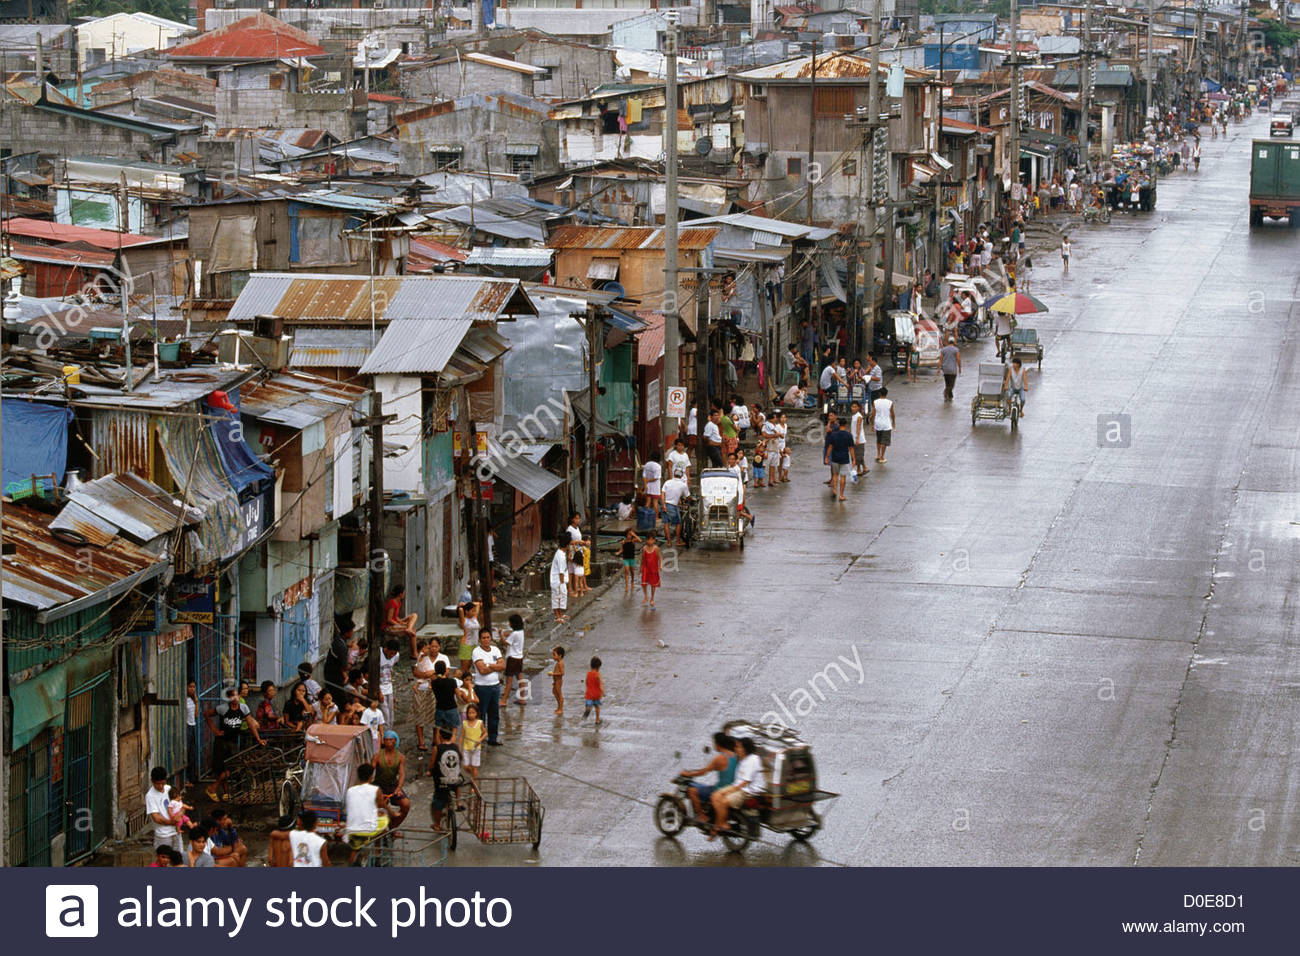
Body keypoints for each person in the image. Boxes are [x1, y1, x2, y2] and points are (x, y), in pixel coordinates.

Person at [205, 686, 264, 801]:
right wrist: (214, 730)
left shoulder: (243, 708)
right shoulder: (223, 708)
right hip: (221, 742)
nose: (235, 698)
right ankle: (221, 791)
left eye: (236, 695)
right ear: (228, 698)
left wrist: (258, 739)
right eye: (232, 696)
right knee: (223, 768)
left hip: (233, 741)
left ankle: (216, 788)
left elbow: (251, 724)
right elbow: (207, 714)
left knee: (231, 767)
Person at [708, 737, 767, 840]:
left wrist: (728, 791)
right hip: (739, 787)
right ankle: (720, 824)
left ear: (745, 749)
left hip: (747, 791)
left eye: (738, 747)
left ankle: (720, 825)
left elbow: (745, 782)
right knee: (714, 796)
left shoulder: (752, 759)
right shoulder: (742, 760)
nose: (735, 749)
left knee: (722, 801)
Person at [679, 732, 737, 823]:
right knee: (704, 787)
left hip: (720, 790)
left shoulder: (720, 758)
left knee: (692, 790)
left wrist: (688, 774)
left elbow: (704, 772)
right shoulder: (735, 755)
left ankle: (702, 816)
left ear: (717, 744)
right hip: (733, 789)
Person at [344, 764, 388, 862]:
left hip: (351, 829)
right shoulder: (376, 790)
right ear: (371, 776)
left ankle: (352, 862)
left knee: (354, 848)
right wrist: (393, 814)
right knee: (384, 820)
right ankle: (377, 853)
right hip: (368, 829)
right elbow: (382, 806)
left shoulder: (350, 791)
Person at [472, 628, 505, 746]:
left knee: (494, 714)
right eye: (483, 638)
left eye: (488, 637)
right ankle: (479, 739)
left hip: (495, 687)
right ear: (480, 639)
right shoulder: (477, 652)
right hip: (482, 688)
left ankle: (493, 738)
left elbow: (503, 666)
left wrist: (490, 665)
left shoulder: (495, 650)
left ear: (491, 638)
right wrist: (496, 666)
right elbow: (482, 670)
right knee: (481, 714)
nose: (486, 640)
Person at [371, 730, 411, 828]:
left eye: (391, 740)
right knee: (378, 807)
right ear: (383, 741)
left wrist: (398, 788)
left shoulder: (401, 757)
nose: (388, 742)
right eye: (386, 740)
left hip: (393, 785)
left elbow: (401, 774)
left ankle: (394, 826)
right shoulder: (377, 756)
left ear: (395, 741)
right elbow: (370, 773)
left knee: (406, 804)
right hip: (379, 785)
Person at [430, 726, 464, 831]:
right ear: (451, 735)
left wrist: (429, 771)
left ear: (440, 735)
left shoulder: (437, 748)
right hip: (456, 780)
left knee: (437, 801)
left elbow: (431, 765)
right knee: (458, 779)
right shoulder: (456, 746)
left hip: (443, 782)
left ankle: (437, 825)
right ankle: (458, 801)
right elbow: (461, 757)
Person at [146, 767, 182, 854]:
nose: (160, 786)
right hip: (163, 835)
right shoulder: (150, 796)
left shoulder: (169, 789)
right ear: (152, 781)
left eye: (162, 783)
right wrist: (171, 822)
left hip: (176, 832)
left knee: (179, 860)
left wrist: (179, 816)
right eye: (157, 784)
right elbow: (156, 818)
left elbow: (180, 806)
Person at [823, 419, 856, 502]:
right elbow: (851, 448)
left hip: (835, 458)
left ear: (838, 425)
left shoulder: (834, 435)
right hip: (844, 458)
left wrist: (826, 457)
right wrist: (853, 459)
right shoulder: (848, 435)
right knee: (843, 477)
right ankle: (841, 495)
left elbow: (830, 447)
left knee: (835, 475)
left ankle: (834, 490)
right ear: (845, 425)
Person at [384, 584, 420, 658]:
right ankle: (414, 653)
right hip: (388, 627)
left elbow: (396, 617)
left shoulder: (398, 603)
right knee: (413, 632)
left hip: (395, 623)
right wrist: (399, 624)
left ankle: (409, 628)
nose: (404, 594)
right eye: (404, 593)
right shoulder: (392, 603)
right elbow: (389, 619)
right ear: (400, 594)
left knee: (414, 615)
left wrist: (401, 622)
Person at [430, 660, 462, 739]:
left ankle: (439, 748)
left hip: (439, 708)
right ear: (445, 670)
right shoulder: (452, 681)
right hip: (452, 708)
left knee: (438, 731)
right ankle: (452, 748)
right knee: (453, 731)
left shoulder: (434, 682)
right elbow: (458, 695)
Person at [502, 613, 526, 705]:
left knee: (509, 681)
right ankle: (522, 698)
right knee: (520, 679)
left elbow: (505, 643)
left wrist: (501, 634)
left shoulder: (515, 634)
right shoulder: (521, 632)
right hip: (519, 657)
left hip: (512, 658)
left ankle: (504, 700)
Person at [566, 513, 591, 597]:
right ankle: (570, 589)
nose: (578, 520)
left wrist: (582, 543)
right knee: (571, 571)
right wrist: (578, 542)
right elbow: (567, 541)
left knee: (578, 570)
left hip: (578, 551)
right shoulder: (569, 529)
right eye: (576, 518)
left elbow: (579, 539)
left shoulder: (577, 528)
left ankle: (581, 587)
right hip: (572, 551)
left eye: (579, 518)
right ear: (572, 519)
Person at [661, 471, 689, 546]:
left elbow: (663, 494)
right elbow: (687, 496)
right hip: (673, 506)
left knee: (666, 524)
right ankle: (677, 541)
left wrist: (663, 505)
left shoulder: (667, 482)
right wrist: (692, 499)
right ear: (681, 476)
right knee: (678, 523)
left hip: (665, 504)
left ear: (674, 474)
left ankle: (669, 542)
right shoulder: (683, 485)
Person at [459, 704, 485, 783]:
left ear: (476, 713)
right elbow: (461, 736)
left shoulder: (480, 723)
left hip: (476, 748)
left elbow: (485, 733)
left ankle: (475, 783)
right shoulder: (464, 723)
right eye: (469, 713)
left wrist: (480, 740)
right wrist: (459, 747)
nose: (471, 715)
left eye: (473, 713)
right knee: (465, 766)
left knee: (474, 767)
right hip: (466, 748)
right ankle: (474, 776)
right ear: (467, 714)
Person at [869, 386, 895, 464]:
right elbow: (892, 413)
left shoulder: (875, 402)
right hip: (886, 424)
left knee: (879, 439)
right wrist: (893, 422)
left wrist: (872, 424)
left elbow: (873, 414)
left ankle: (878, 454)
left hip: (878, 423)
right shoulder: (890, 402)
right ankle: (882, 456)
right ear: (886, 394)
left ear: (879, 393)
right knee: (884, 441)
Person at [378, 637, 400, 729]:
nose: (392, 655)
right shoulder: (378, 653)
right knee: (385, 713)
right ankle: (385, 735)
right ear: (386, 649)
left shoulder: (396, 656)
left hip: (389, 687)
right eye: (391, 653)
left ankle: (390, 734)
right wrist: (379, 692)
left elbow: (391, 670)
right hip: (380, 687)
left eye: (394, 654)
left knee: (391, 713)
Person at [457, 594, 480, 675]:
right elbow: (460, 609)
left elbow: (477, 604)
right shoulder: (464, 621)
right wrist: (461, 605)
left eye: (474, 610)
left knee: (469, 668)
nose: (474, 612)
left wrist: (468, 603)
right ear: (466, 611)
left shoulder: (474, 618)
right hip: (466, 645)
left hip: (474, 645)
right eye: (472, 611)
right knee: (464, 669)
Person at [549, 537, 569, 623]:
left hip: (560, 580)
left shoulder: (561, 553)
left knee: (560, 597)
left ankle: (560, 614)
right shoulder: (560, 556)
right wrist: (562, 583)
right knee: (557, 597)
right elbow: (561, 572)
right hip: (558, 581)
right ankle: (557, 616)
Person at [848, 400, 870, 477]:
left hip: (859, 439)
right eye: (852, 406)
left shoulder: (859, 416)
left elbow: (858, 428)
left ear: (858, 408)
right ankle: (862, 468)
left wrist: (857, 438)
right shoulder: (853, 416)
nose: (853, 408)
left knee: (859, 455)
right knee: (856, 455)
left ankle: (861, 468)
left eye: (855, 407)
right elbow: (852, 427)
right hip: (853, 438)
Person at [640, 533, 662, 609]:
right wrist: (641, 568)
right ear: (646, 540)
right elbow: (643, 559)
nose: (650, 541)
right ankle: (646, 596)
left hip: (653, 568)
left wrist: (661, 565)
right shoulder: (644, 548)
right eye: (648, 540)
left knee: (653, 584)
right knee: (643, 583)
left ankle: (652, 598)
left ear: (654, 540)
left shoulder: (656, 548)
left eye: (652, 540)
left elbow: (660, 558)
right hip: (646, 568)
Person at [619, 527, 643, 594]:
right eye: (628, 534)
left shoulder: (633, 540)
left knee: (632, 571)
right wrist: (618, 552)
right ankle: (626, 586)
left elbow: (640, 540)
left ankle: (632, 581)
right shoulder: (624, 541)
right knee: (626, 571)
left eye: (630, 535)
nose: (629, 536)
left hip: (631, 558)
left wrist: (634, 535)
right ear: (626, 535)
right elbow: (622, 549)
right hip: (625, 558)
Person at [939, 335, 962, 402]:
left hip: (945, 369)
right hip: (952, 370)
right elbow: (958, 359)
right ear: (954, 342)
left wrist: (938, 369)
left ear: (948, 342)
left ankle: (950, 396)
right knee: (951, 385)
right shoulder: (956, 350)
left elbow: (940, 360)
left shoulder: (943, 349)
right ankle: (945, 393)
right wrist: (960, 368)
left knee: (947, 383)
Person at [583, 656, 605, 724]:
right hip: (596, 694)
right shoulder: (598, 674)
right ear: (598, 667)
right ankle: (597, 720)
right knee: (597, 707)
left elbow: (586, 682)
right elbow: (601, 683)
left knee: (588, 704)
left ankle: (588, 709)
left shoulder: (588, 674)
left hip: (589, 693)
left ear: (591, 665)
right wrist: (603, 691)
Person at [550, 646, 566, 716]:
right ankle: (558, 706)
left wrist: (553, 674)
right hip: (555, 680)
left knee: (559, 694)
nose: (553, 657)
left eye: (554, 655)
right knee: (554, 692)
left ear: (560, 655)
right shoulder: (558, 663)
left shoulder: (560, 663)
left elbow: (562, 673)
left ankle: (560, 709)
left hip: (558, 681)